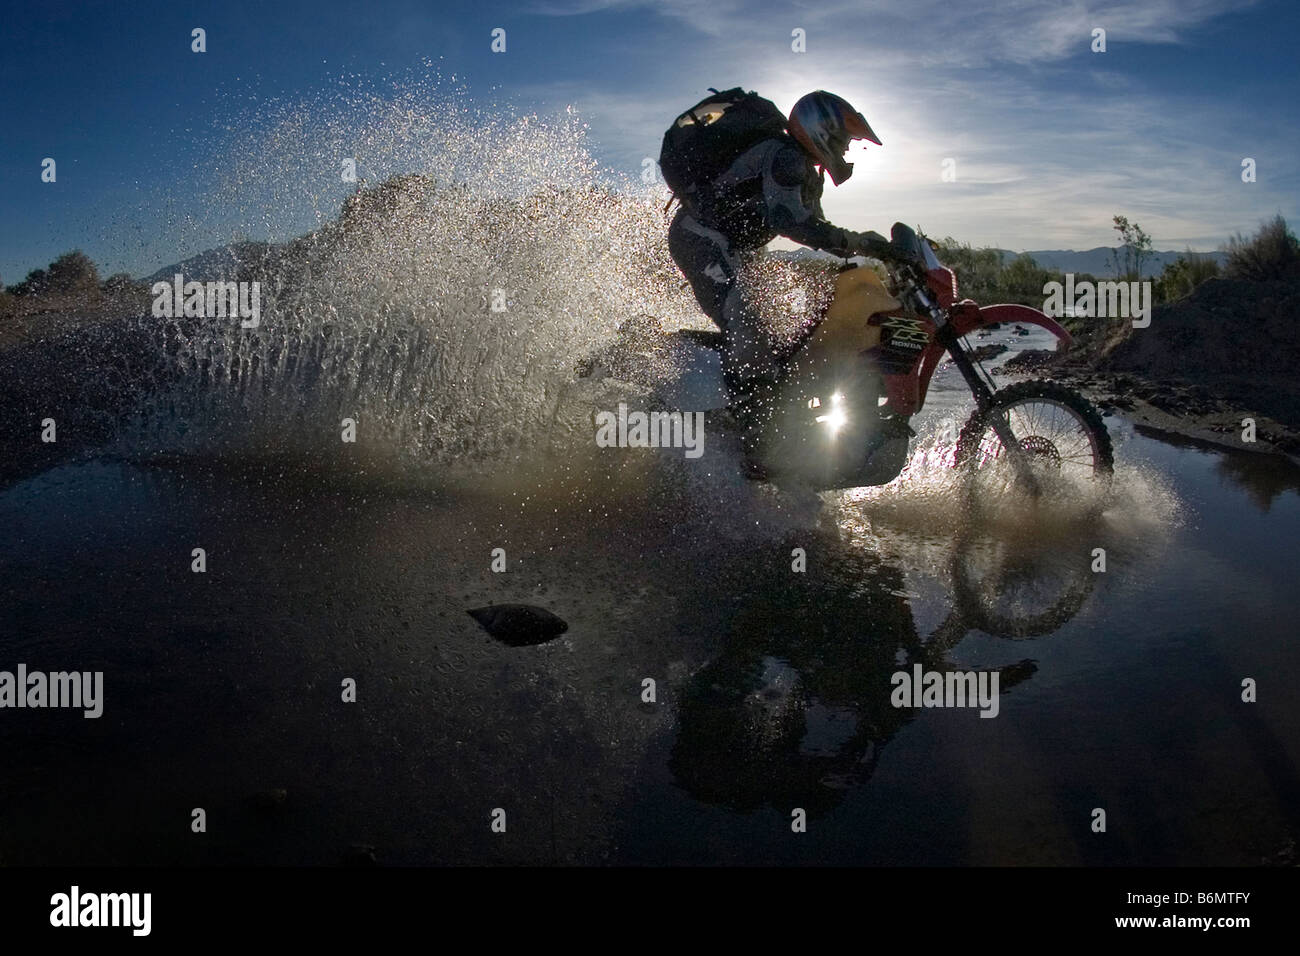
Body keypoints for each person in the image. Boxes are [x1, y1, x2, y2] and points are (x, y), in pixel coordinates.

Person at [666, 90, 907, 468]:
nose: (845, 150)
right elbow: (793, 224)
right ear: (820, 130)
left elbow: (819, 231)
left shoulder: (806, 173)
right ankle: (752, 431)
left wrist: (859, 258)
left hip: (736, 249)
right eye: (843, 140)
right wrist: (866, 244)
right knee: (745, 317)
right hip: (702, 238)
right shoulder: (785, 156)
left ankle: (783, 415)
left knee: (784, 325)